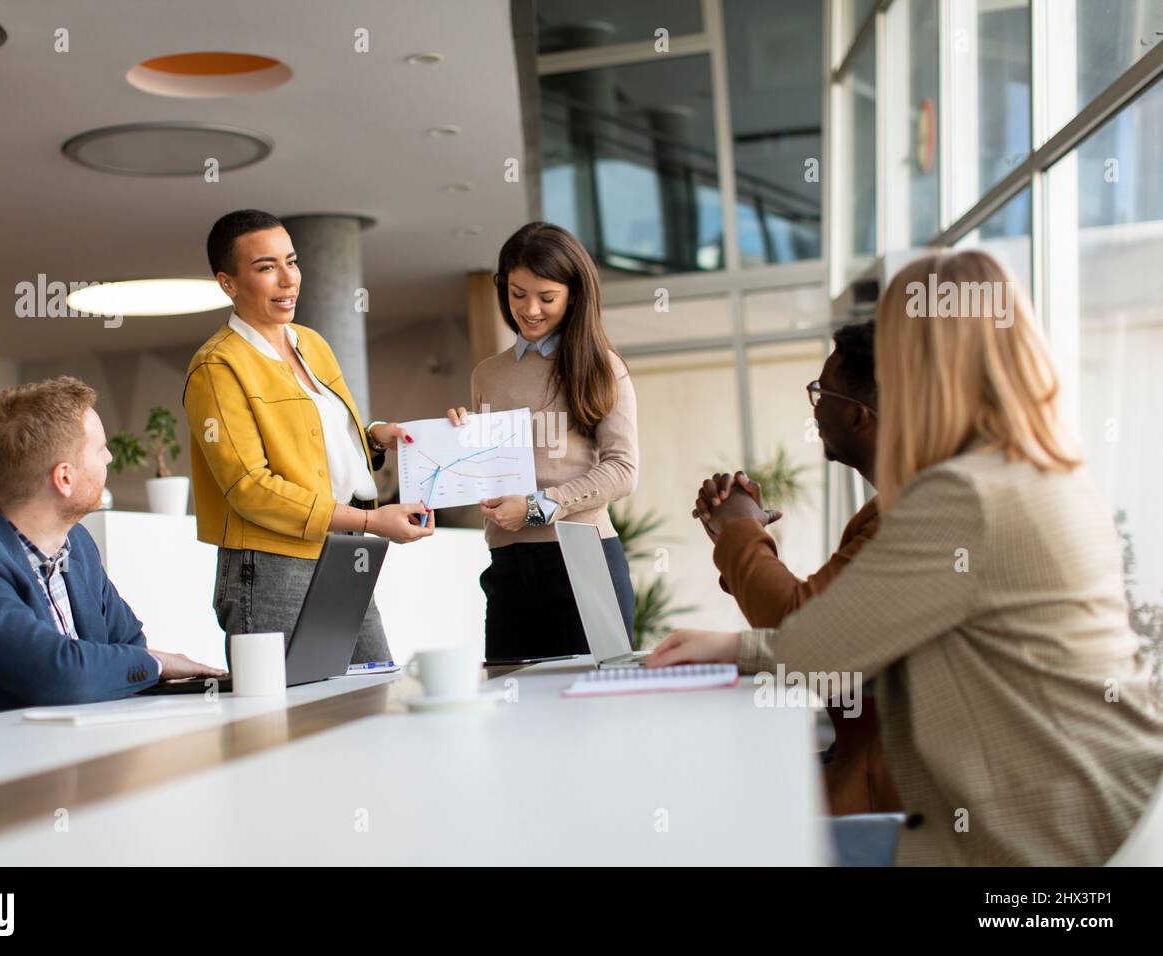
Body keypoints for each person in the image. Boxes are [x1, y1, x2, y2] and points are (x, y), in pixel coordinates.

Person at [650, 250, 1163, 866]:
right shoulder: (1041, 473)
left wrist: (739, 548)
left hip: (1044, 857)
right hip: (1117, 820)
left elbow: (816, 652)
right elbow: (854, 636)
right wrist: (736, 648)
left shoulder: (963, 494)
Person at [184, 210, 431, 667]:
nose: (287, 279)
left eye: (291, 262)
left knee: (369, 693)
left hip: (343, 553)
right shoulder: (217, 367)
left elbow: (321, 440)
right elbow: (249, 489)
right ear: (228, 283)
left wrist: (375, 438)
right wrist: (373, 523)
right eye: (265, 267)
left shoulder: (312, 344)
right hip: (272, 565)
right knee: (286, 718)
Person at [0, 376, 224, 724]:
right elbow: (60, 677)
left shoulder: (78, 545)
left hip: (69, 758)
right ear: (64, 478)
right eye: (101, 449)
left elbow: (128, 645)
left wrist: (139, 661)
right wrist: (158, 663)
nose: (110, 457)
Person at [693, 320, 900, 816]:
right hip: (866, 761)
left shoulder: (905, 517)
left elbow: (801, 624)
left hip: (890, 793)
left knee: (709, 805)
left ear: (858, 418)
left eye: (820, 391)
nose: (815, 406)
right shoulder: (889, 510)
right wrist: (740, 534)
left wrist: (741, 529)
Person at [446, 222, 639, 661]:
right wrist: (460, 441)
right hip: (507, 565)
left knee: (593, 714)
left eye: (546, 298)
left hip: (583, 558)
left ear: (574, 295)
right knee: (510, 708)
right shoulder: (487, 374)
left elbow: (623, 470)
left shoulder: (602, 367)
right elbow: (488, 472)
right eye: (517, 294)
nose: (529, 310)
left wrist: (535, 507)